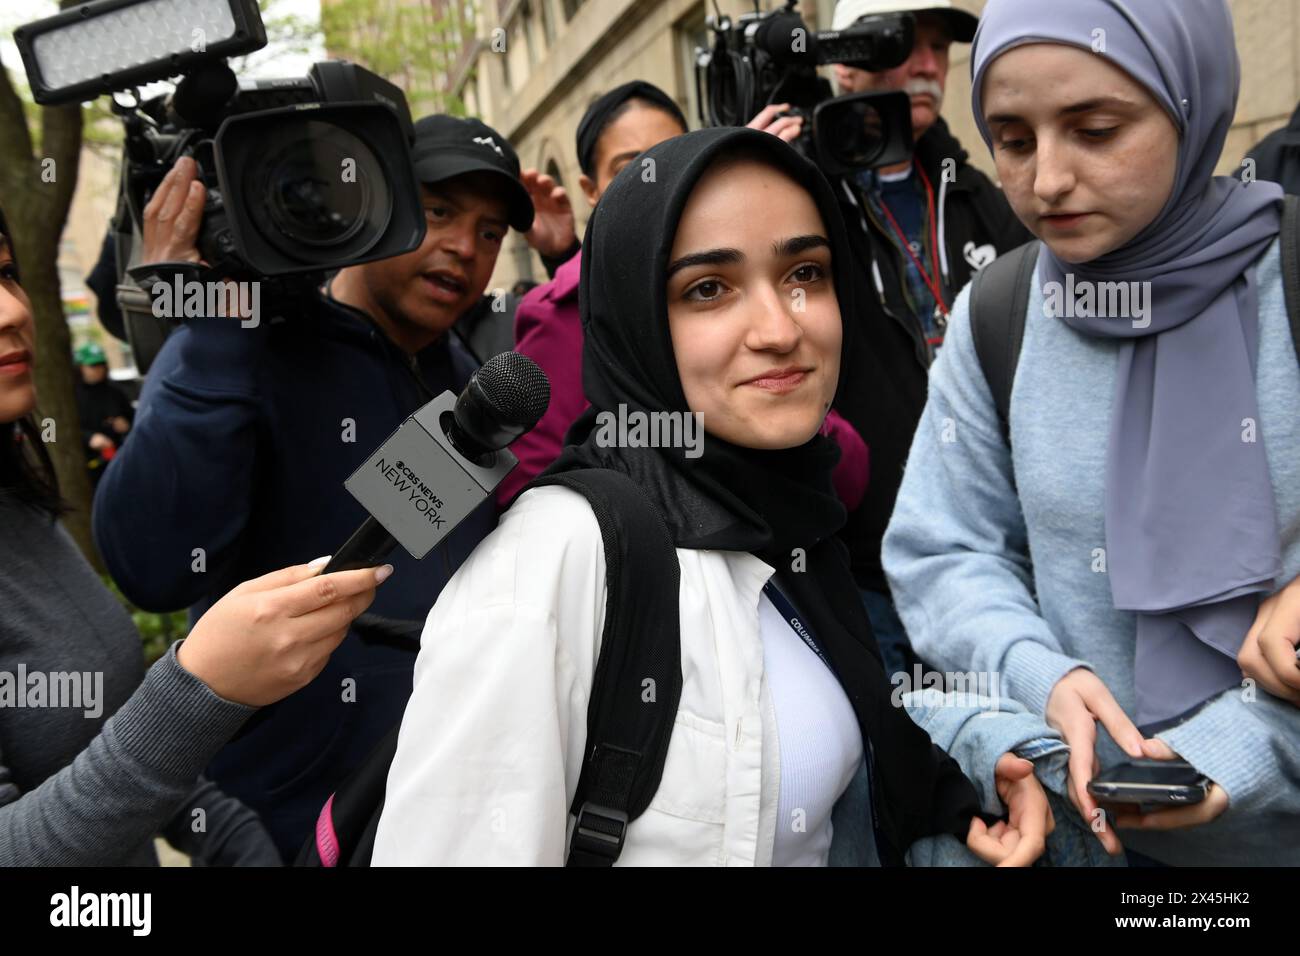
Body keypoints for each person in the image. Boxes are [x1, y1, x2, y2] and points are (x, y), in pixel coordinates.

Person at [372, 127, 1053, 866]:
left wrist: (962, 773)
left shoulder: (789, 509)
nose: (779, 327)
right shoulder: (553, 562)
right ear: (634, 321)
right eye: (708, 289)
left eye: (806, 273)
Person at [883, 0, 1300, 865]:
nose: (1047, 181)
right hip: (1091, 840)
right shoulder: (997, 315)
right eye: (1013, 138)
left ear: (1192, 102)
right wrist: (1043, 674)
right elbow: (944, 549)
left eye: (1097, 129)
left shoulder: (1289, 278)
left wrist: (1240, 747)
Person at [91, 115, 534, 860]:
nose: (466, 247)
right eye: (440, 212)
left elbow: (397, 571)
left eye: (491, 231)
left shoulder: (463, 384)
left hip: (437, 809)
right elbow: (152, 566)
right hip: (281, 827)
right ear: (381, 207)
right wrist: (213, 328)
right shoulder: (244, 346)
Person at [0, 210, 389, 864]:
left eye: (8, 273)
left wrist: (242, 848)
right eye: (437, 212)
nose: (12, 309)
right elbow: (155, 568)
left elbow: (109, 741)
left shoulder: (21, 507)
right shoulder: (225, 348)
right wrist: (200, 686)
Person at [788, 0, 1032, 681]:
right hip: (858, 567)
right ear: (843, 60)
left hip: (995, 563)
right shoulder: (796, 193)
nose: (928, 65)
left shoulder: (987, 192)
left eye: (939, 46)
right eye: (901, 43)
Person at [499, 80, 870, 513]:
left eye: (805, 273)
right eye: (708, 290)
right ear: (591, 189)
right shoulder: (589, 533)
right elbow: (532, 497)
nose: (667, 181)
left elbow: (846, 469)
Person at [72, 341, 133, 487]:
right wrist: (88, 437)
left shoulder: (115, 391)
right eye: (92, 366)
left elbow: (134, 418)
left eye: (101, 364)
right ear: (81, 367)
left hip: (118, 460)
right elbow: (52, 430)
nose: (98, 369)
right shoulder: (69, 395)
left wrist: (126, 425)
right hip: (86, 465)